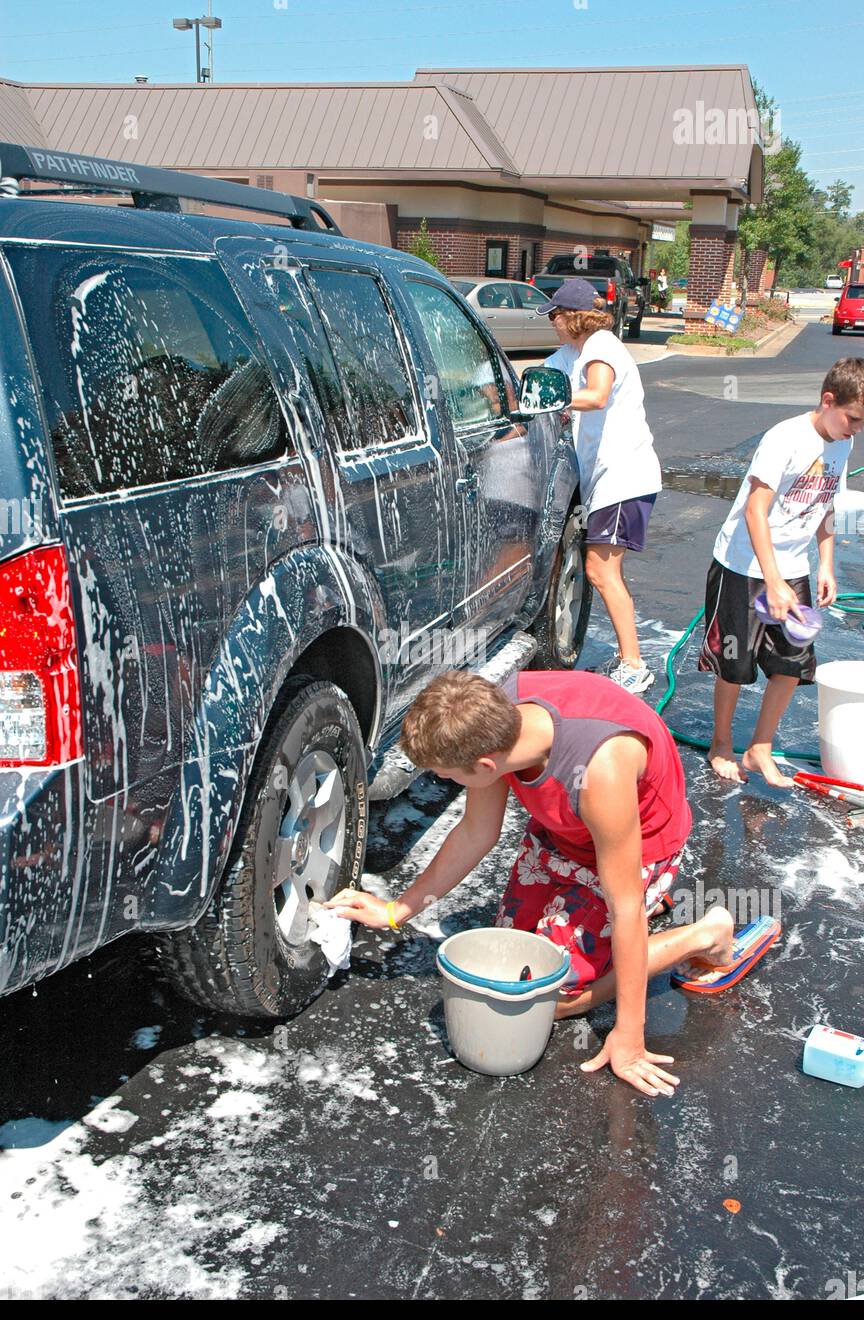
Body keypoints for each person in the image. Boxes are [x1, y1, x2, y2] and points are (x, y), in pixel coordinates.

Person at [323, 668, 776, 1099]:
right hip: (562, 830)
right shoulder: (494, 717)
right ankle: (626, 906)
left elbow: (624, 909)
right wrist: (396, 911)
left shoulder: (600, 770)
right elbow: (476, 831)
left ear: (484, 766)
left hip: (637, 842)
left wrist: (630, 1037)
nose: (442, 781)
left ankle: (705, 934)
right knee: (508, 963)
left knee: (548, 995)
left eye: (446, 776)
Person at [699, 356, 864, 786]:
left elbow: (827, 505)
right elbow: (755, 511)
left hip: (791, 568)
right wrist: (771, 581)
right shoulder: (784, 438)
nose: (856, 429)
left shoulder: (842, 443)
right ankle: (721, 743)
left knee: (793, 662)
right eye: (852, 418)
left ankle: (760, 747)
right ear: (828, 400)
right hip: (742, 565)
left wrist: (825, 563)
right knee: (734, 662)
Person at [537, 278, 662, 693]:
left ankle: (634, 665)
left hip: (624, 477)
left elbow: (597, 396)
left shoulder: (601, 346)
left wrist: (553, 401)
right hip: (608, 481)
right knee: (605, 570)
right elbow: (536, 382)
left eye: (555, 315)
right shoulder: (571, 354)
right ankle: (629, 659)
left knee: (600, 570)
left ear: (572, 316)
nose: (552, 323)